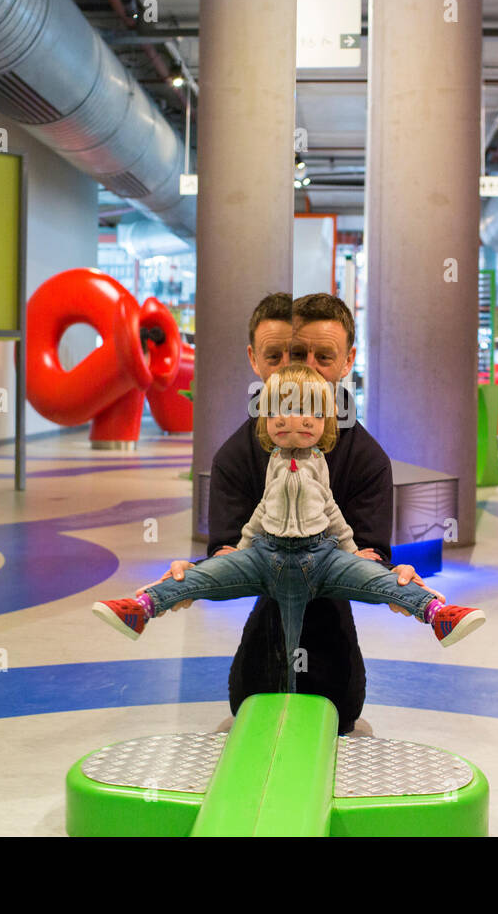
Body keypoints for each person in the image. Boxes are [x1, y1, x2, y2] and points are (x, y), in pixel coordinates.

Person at [92, 364, 484, 685]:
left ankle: (436, 613)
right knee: (194, 578)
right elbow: (262, 511)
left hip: (321, 556)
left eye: (307, 412)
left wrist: (357, 557)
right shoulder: (271, 461)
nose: (292, 421)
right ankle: (142, 607)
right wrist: (236, 554)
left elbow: (331, 511)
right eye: (280, 410)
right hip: (266, 555)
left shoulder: (324, 463)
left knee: (387, 583)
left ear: (325, 422)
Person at [155, 293, 437, 734]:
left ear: (348, 362)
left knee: (341, 709)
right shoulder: (235, 456)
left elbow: (367, 551)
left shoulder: (367, 459)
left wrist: (391, 582)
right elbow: (229, 545)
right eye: (285, 356)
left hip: (331, 623)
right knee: (247, 699)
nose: (300, 370)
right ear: (257, 361)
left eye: (322, 357)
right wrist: (196, 577)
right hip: (268, 612)